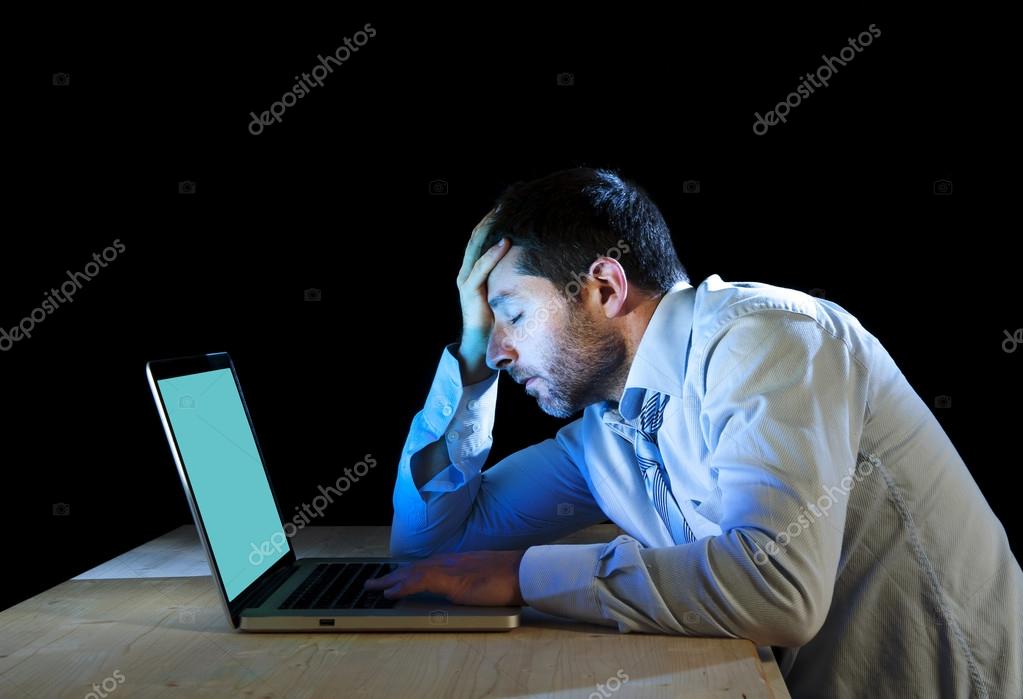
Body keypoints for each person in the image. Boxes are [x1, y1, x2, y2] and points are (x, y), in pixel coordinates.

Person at [364, 167, 1021, 698]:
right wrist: (471, 360)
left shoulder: (764, 337)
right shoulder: (607, 433)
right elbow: (429, 546)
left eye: (509, 312)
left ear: (602, 285)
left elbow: (777, 590)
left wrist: (524, 576)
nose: (503, 350)